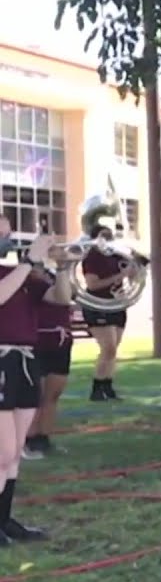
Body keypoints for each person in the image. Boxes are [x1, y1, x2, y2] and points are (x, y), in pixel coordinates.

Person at [0, 224, 72, 546]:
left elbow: (60, 299)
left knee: (13, 455)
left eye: (9, 233)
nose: (8, 239)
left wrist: (63, 268)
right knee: (3, 451)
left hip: (26, 361)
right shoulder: (18, 272)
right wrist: (29, 261)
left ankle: (5, 521)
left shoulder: (21, 272)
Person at [23, 263, 76, 460]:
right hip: (36, 344)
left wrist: (63, 268)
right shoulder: (28, 286)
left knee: (52, 395)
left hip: (60, 344)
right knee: (35, 396)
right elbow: (60, 297)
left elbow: (67, 296)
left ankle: (43, 439)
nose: (40, 272)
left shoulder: (51, 282)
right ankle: (29, 439)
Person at [79, 224, 136, 401]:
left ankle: (107, 386)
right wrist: (119, 277)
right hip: (97, 305)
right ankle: (97, 388)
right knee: (108, 347)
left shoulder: (117, 254)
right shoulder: (91, 257)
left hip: (116, 304)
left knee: (113, 349)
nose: (109, 238)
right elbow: (92, 284)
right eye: (104, 235)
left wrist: (135, 266)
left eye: (110, 235)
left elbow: (132, 275)